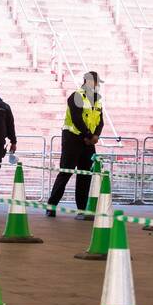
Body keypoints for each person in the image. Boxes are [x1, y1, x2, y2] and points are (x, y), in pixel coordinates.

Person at [47, 70, 105, 218]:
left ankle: (82, 209)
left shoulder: (97, 99)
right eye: (97, 83)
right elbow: (76, 119)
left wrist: (95, 136)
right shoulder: (76, 96)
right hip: (72, 138)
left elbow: (100, 121)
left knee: (85, 175)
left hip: (88, 141)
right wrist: (89, 135)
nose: (98, 86)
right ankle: (51, 205)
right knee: (66, 172)